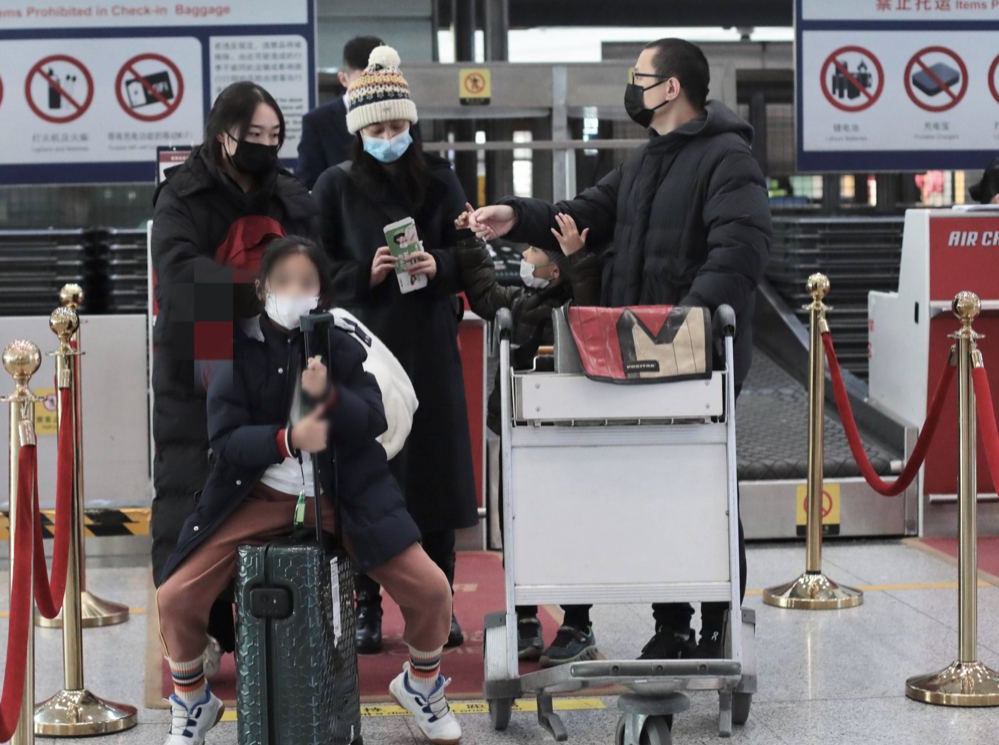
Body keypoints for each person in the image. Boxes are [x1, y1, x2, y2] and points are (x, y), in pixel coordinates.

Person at [466, 38, 770, 661]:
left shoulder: (729, 160)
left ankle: (717, 621)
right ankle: (672, 623)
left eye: (640, 76)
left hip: (691, 360)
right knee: (654, 493)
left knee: (703, 490)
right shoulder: (641, 163)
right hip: (634, 360)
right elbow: (578, 215)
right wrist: (514, 217)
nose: (632, 87)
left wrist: (678, 328)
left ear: (671, 87)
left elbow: (737, 256)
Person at [155, 236, 462, 745]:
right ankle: (192, 701)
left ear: (322, 293)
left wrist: (330, 396)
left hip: (344, 493)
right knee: (174, 595)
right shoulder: (232, 343)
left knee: (431, 589)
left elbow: (374, 418)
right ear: (261, 288)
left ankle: (421, 684)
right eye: (283, 282)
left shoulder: (338, 341)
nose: (294, 293)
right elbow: (224, 441)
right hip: (256, 498)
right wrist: (286, 439)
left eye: (306, 283)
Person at [312, 45, 479, 655]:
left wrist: (441, 265)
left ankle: (442, 604)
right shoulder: (333, 186)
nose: (389, 139)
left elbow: (472, 253)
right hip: (366, 349)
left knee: (435, 479)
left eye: (398, 127)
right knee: (369, 476)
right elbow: (315, 267)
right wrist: (364, 273)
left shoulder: (440, 179)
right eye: (377, 130)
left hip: (429, 343)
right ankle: (367, 607)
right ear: (359, 132)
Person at [150, 82, 318, 674]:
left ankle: (269, 621)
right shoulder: (182, 195)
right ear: (223, 135)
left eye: (275, 136)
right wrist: (263, 292)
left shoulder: (292, 196)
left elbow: (317, 265)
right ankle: (193, 631)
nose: (265, 147)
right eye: (254, 136)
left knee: (270, 495)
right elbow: (178, 280)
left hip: (277, 362)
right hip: (197, 362)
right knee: (192, 491)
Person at [454, 206, 604, 666]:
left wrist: (579, 258)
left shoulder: (577, 302)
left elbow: (592, 305)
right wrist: (469, 242)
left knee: (571, 526)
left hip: (566, 436)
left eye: (533, 250)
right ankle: (523, 616)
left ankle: (577, 621)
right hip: (519, 431)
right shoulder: (522, 303)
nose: (524, 257)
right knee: (516, 523)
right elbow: (484, 293)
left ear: (555, 269)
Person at [296, 35, 383, 188]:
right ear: (343, 79)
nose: (371, 93)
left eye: (378, 84)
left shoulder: (403, 116)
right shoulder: (318, 122)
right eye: (362, 86)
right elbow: (307, 183)